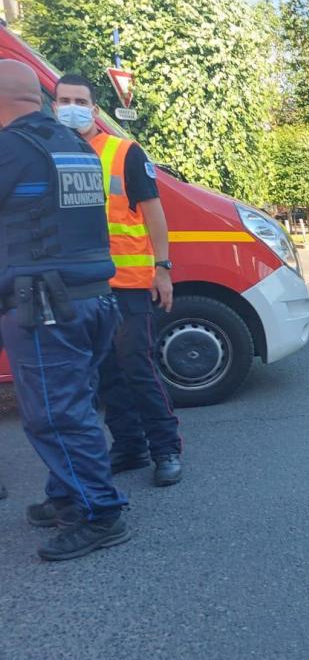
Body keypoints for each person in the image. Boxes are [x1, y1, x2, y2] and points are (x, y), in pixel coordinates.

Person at [0, 60, 130, 560]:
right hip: (94, 298)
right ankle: (66, 497)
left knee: (54, 416)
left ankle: (101, 513)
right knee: (74, 404)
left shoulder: (11, 149)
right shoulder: (75, 145)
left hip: (44, 307)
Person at [53, 74, 184, 487]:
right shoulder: (50, 154)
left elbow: (153, 212)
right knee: (106, 372)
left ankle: (165, 449)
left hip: (128, 282)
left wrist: (162, 268)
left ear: (94, 110)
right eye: (64, 101)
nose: (72, 108)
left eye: (80, 102)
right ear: (53, 107)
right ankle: (129, 446)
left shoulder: (123, 151)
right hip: (81, 286)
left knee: (136, 367)